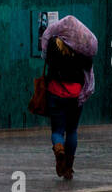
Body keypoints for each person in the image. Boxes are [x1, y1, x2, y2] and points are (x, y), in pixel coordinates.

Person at [40, 15, 97, 180]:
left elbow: (46, 60)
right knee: (72, 130)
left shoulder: (52, 44)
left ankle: (59, 148)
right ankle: (69, 167)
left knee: (57, 130)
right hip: (74, 94)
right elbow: (88, 64)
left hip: (55, 92)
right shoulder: (81, 50)